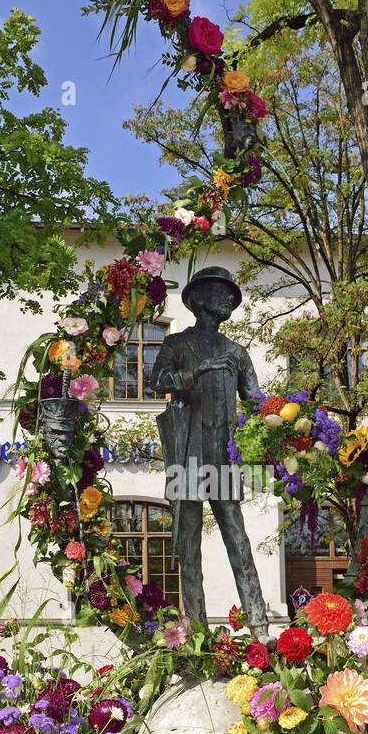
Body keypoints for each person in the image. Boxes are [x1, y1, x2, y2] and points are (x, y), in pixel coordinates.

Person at [152, 265, 269, 639]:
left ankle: (259, 625)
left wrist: (285, 423)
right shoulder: (176, 344)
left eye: (231, 296)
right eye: (222, 293)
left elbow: (257, 404)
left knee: (238, 536)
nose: (229, 300)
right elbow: (158, 382)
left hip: (225, 455)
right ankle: (197, 631)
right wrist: (197, 371)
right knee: (188, 544)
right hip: (187, 452)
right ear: (200, 298)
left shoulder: (237, 352)